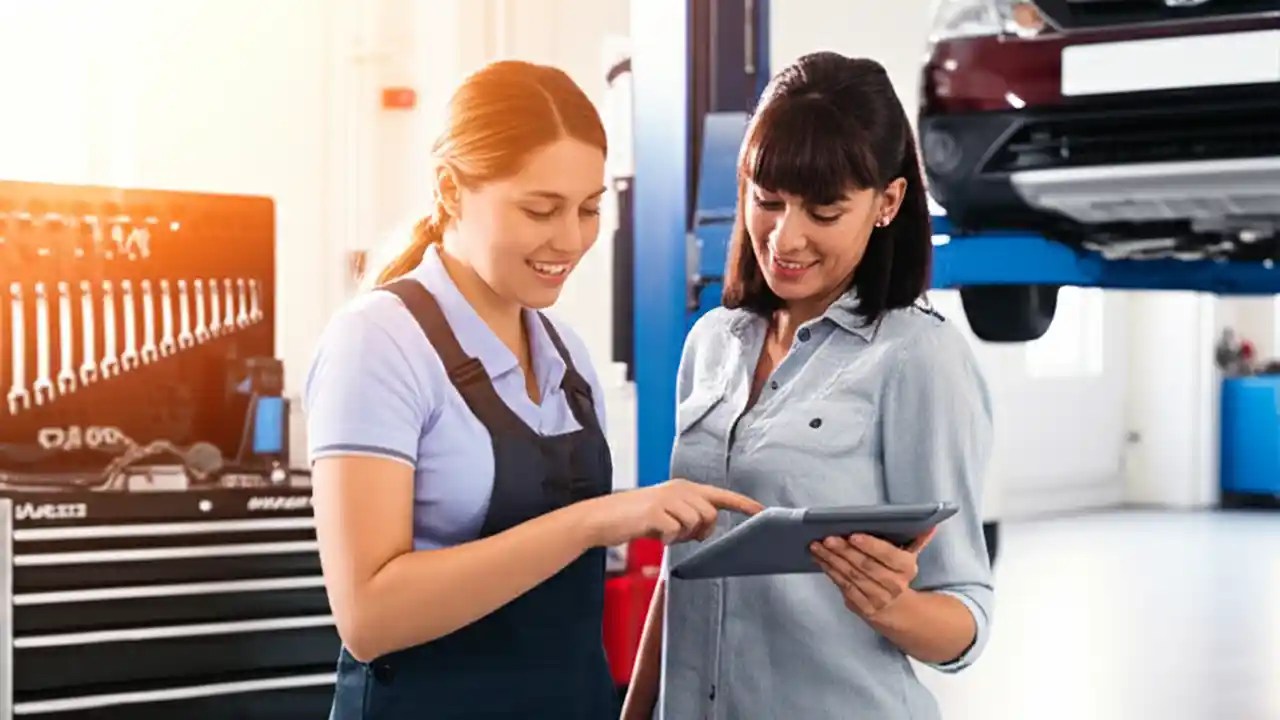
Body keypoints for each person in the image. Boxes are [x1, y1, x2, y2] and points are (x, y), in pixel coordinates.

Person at [303, 59, 763, 720]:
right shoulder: (378, 342)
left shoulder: (566, 357)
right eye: (540, 209)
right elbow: (369, 616)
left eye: (588, 209)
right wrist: (593, 522)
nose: (571, 239)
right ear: (450, 190)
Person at [622, 52, 995, 720]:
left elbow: (965, 617)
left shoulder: (918, 358)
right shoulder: (713, 341)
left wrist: (894, 606)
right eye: (767, 201)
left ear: (887, 202)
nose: (785, 237)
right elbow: (688, 564)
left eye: (824, 211)